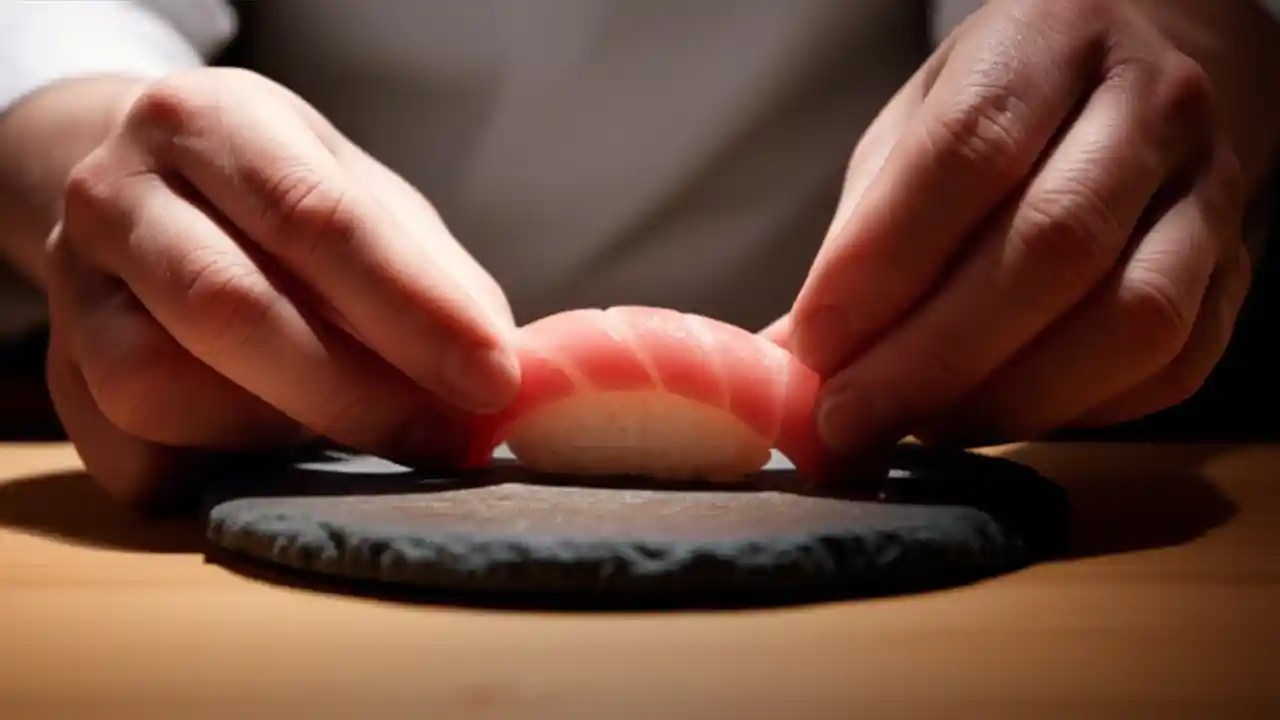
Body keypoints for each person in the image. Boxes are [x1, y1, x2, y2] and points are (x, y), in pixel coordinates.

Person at [0, 0, 1277, 505]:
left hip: (951, 415)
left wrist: (1192, 44)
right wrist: (100, 164)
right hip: (296, 424)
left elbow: (1152, 33)